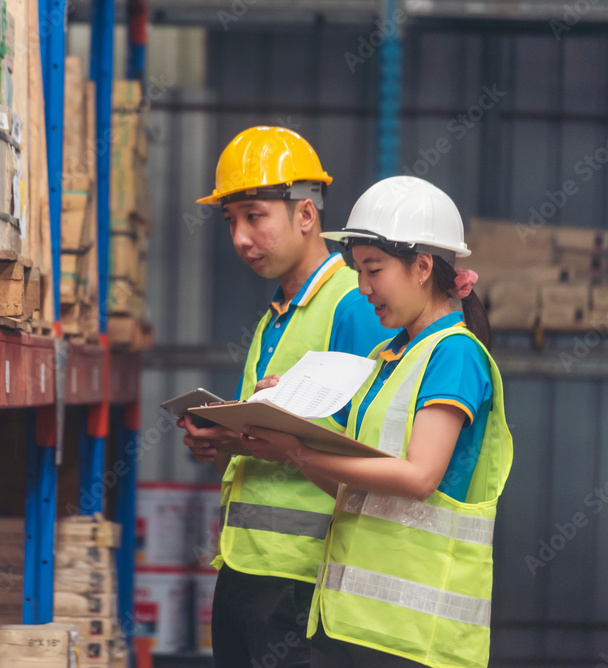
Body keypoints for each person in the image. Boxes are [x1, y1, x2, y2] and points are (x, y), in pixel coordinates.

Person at [240, 176, 514, 668]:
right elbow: (355, 489)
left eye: (373, 270)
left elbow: (419, 476)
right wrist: (287, 435)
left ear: (423, 266)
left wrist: (301, 451)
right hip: (353, 627)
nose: (363, 289)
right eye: (358, 271)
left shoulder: (454, 354)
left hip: (413, 638)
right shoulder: (388, 357)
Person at [180, 126, 393, 668]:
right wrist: (223, 440)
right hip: (245, 570)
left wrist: (284, 436)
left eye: (255, 215)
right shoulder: (276, 316)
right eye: (231, 221)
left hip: (304, 582)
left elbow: (372, 453)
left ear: (305, 215)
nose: (240, 238)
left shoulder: (354, 306)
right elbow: (260, 438)